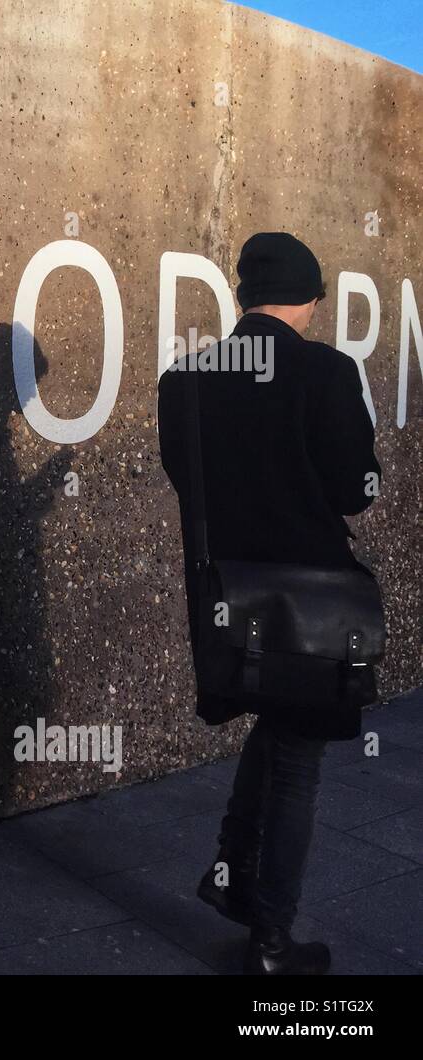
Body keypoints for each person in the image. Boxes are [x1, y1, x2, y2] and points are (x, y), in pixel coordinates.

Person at [157, 232, 382, 976]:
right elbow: (354, 491)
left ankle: (231, 875)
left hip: (228, 606)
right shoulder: (326, 371)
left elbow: (190, 485)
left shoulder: (184, 378)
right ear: (311, 300)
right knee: (298, 765)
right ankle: (272, 945)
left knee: (278, 731)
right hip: (312, 613)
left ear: (243, 296)